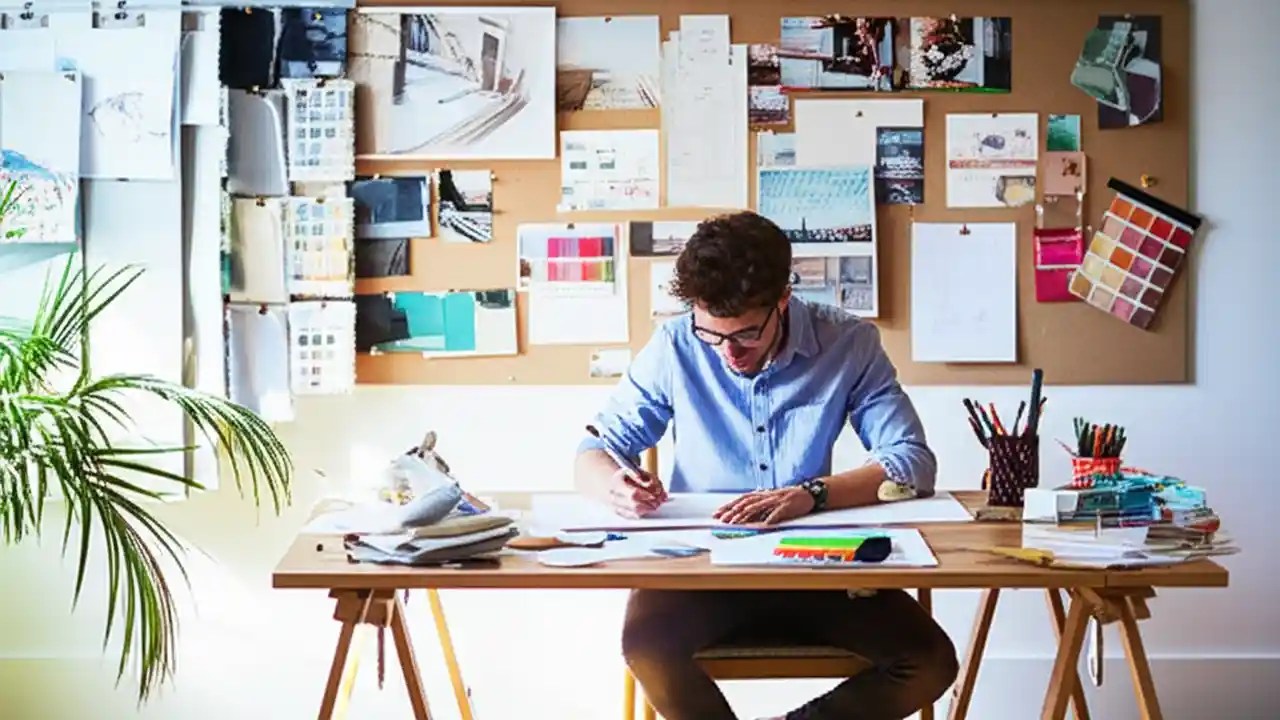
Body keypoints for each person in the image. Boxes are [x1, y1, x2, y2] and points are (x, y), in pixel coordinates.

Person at [573, 211, 958, 720]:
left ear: (783, 300)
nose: (728, 354)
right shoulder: (675, 345)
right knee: (646, 646)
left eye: (746, 335)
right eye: (712, 335)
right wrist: (615, 484)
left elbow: (911, 462)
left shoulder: (847, 343)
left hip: (817, 564)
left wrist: (811, 494)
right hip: (701, 567)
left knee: (929, 662)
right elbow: (591, 454)